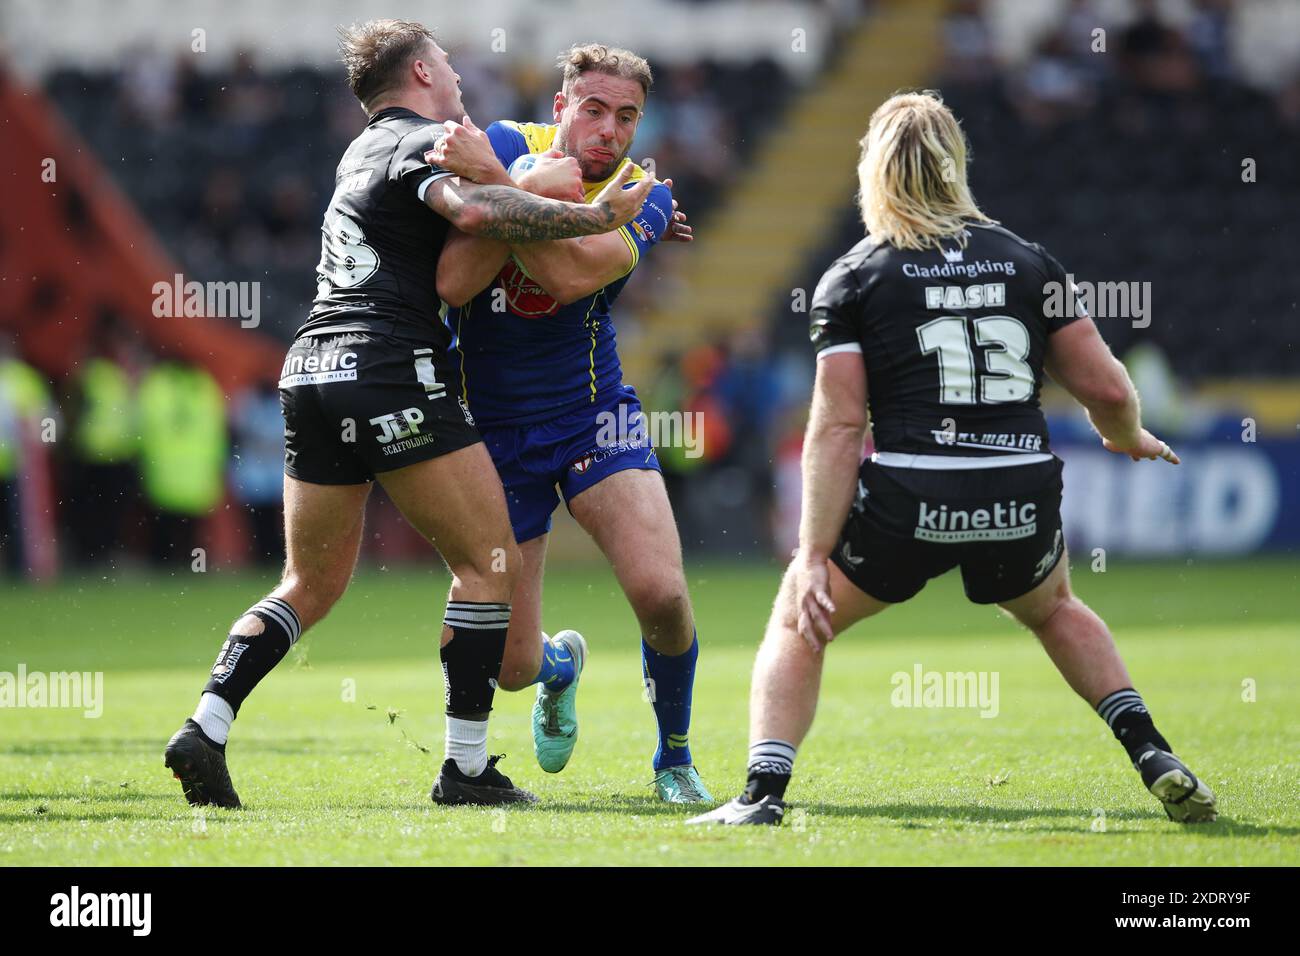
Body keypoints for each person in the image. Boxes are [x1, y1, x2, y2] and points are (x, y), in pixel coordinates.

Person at [163, 19, 654, 810]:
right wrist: (595, 215)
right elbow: (473, 215)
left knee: (309, 583)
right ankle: (464, 770)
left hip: (310, 369)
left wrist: (520, 186)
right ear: (422, 71)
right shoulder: (428, 138)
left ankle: (207, 725)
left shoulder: (357, 148)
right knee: (489, 560)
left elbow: (467, 239)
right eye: (451, 65)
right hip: (390, 366)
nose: (461, 81)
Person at [689, 91, 1216, 826]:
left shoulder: (855, 277)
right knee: (1056, 609)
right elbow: (1105, 384)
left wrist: (811, 552)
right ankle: (1153, 752)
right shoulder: (1026, 261)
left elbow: (839, 425)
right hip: (1019, 486)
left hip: (914, 493)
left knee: (797, 619)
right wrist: (1125, 434)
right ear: (956, 165)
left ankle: (761, 795)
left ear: (874, 170)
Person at [433, 45, 712, 803]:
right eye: (593, 109)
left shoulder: (645, 194)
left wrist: (504, 196)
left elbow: (566, 275)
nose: (609, 131)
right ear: (559, 108)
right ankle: (561, 666)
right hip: (491, 436)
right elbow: (451, 280)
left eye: (627, 117)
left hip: (593, 413)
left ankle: (675, 758)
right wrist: (517, 179)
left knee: (661, 592)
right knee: (513, 667)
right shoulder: (501, 142)